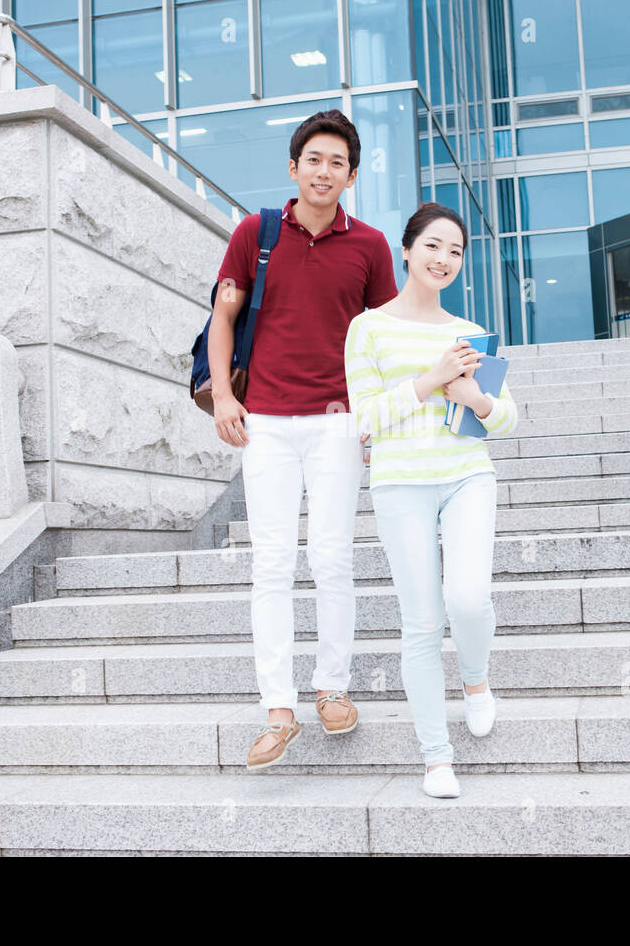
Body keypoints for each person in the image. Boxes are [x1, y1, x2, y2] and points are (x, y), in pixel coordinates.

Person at [207, 110, 399, 770]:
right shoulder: (253, 234)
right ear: (294, 168)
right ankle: (278, 707)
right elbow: (223, 315)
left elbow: (383, 338)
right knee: (271, 563)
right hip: (264, 422)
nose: (324, 171)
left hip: (339, 422)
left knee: (332, 557)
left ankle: (333, 689)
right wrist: (226, 398)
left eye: (337, 162)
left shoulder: (370, 246)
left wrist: (379, 416)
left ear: (352, 174)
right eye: (313, 159)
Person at [344, 202, 519, 799]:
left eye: (455, 251)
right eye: (434, 247)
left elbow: (506, 415)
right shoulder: (367, 328)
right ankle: (436, 757)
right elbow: (364, 418)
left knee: (468, 598)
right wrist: (430, 378)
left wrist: (475, 398)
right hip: (400, 483)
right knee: (421, 622)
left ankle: (475, 680)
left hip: (467, 473)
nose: (444, 259)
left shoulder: (468, 331)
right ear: (407, 249)